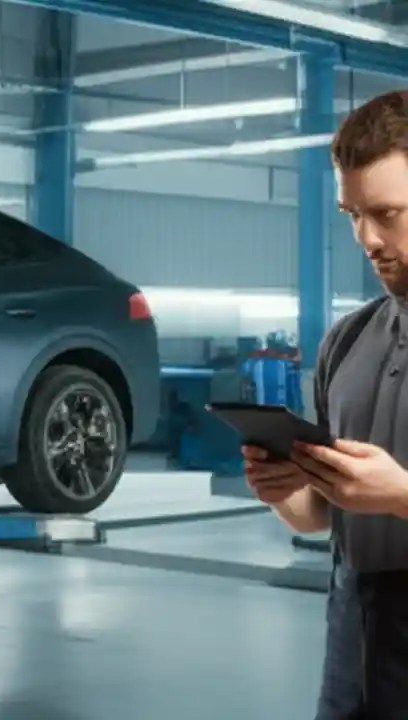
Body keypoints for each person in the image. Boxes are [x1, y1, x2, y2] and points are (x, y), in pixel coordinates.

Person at [242, 89, 408, 719]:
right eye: (352, 213)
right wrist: (282, 486)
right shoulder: (346, 341)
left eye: (388, 213)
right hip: (353, 631)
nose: (367, 237)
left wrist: (401, 494)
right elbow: (318, 517)